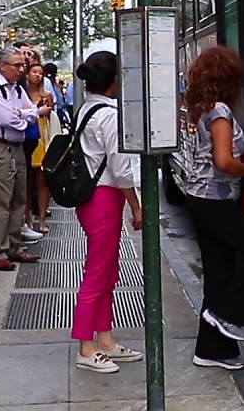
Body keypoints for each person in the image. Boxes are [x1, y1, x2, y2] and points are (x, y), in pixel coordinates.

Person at [183, 46, 244, 370]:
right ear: (229, 78)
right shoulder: (220, 112)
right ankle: (230, 317)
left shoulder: (202, 108)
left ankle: (212, 350)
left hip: (200, 199)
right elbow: (224, 162)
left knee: (219, 274)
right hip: (214, 200)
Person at [69, 51, 144, 374]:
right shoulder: (110, 115)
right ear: (116, 80)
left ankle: (106, 340)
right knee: (98, 274)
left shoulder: (87, 108)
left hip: (93, 198)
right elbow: (121, 168)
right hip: (104, 198)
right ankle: (87, 347)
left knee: (107, 271)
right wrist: (136, 206)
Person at [0, 46, 49, 271]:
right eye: (17, 65)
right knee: (0, 202)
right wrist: (26, 115)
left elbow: (30, 111)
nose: (21, 69)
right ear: (2, 66)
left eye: (23, 65)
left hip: (17, 146)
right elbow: (7, 118)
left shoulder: (17, 89)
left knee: (19, 199)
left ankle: (15, 247)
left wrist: (24, 114)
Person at [24, 58, 54, 235]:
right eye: (34, 72)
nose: (37, 75)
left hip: (43, 137)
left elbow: (51, 117)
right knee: (27, 182)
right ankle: (28, 219)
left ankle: (41, 219)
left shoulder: (46, 95)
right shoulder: (21, 93)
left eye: (40, 73)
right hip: (28, 137)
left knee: (43, 181)